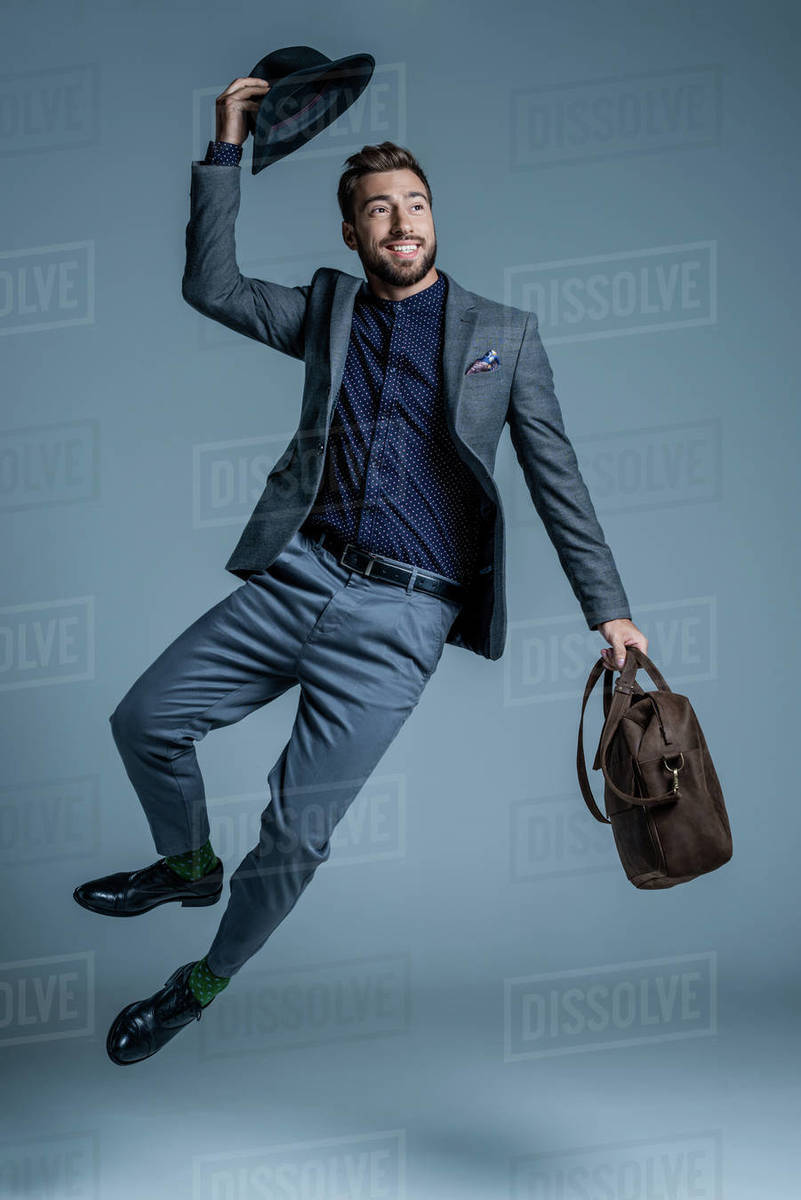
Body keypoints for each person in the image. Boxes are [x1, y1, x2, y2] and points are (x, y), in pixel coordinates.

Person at [73, 75, 648, 1066]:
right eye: (378, 208)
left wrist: (612, 611)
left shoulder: (502, 338)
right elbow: (210, 287)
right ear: (351, 234)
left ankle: (199, 982)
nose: (400, 221)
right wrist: (225, 148)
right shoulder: (328, 311)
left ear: (435, 219)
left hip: (399, 625)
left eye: (414, 203)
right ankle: (190, 862)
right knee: (146, 720)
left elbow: (561, 483)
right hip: (297, 577)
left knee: (296, 835)